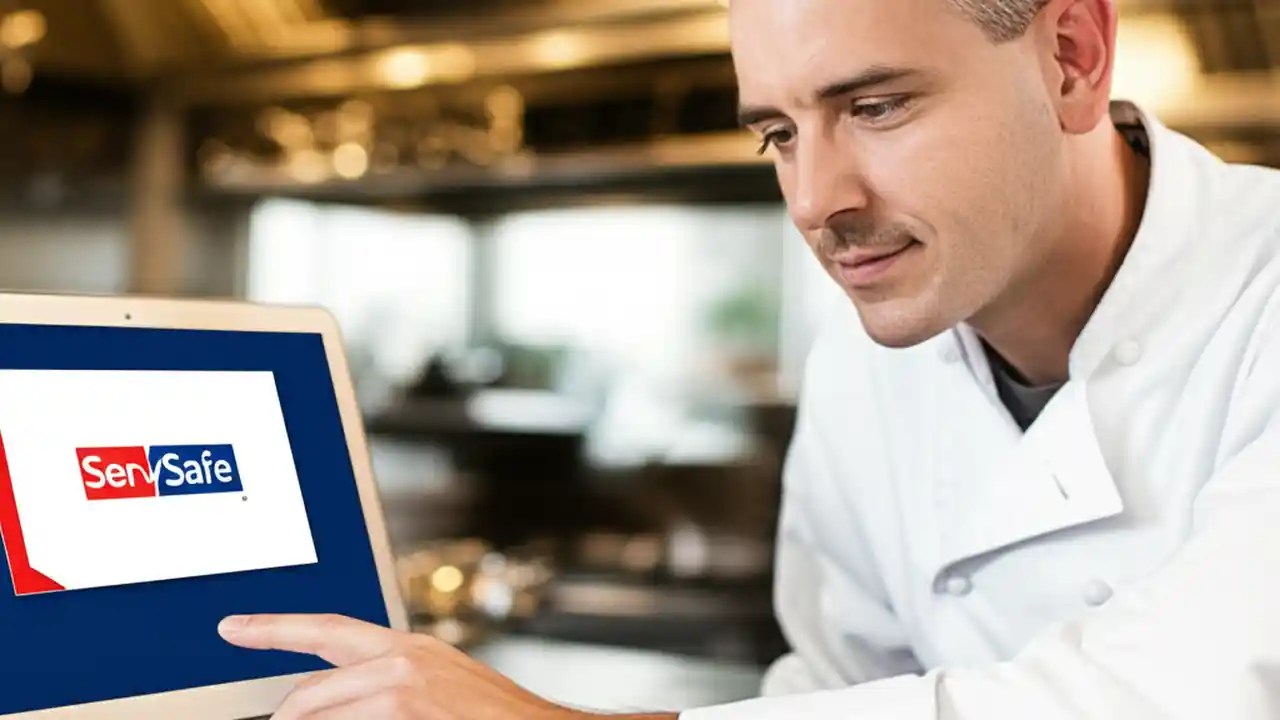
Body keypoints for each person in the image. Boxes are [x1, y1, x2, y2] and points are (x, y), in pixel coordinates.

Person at [217, 0, 1280, 717]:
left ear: (1070, 58)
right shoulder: (870, 347)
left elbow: (1190, 692)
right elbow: (831, 686)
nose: (817, 203)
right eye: (776, 133)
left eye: (875, 107)